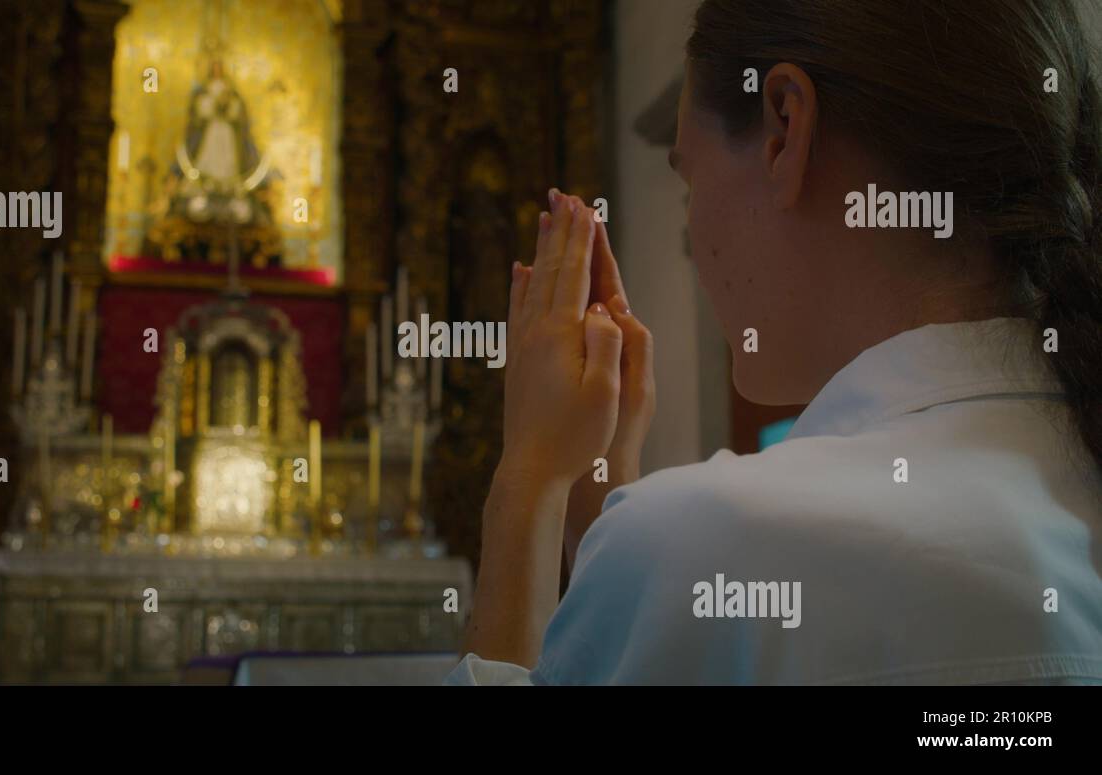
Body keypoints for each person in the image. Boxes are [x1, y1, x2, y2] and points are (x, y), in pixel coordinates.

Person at [449, 0, 1102, 685]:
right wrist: (603, 505)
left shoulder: (711, 540)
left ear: (785, 129)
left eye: (687, 184)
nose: (694, 242)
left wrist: (527, 478)